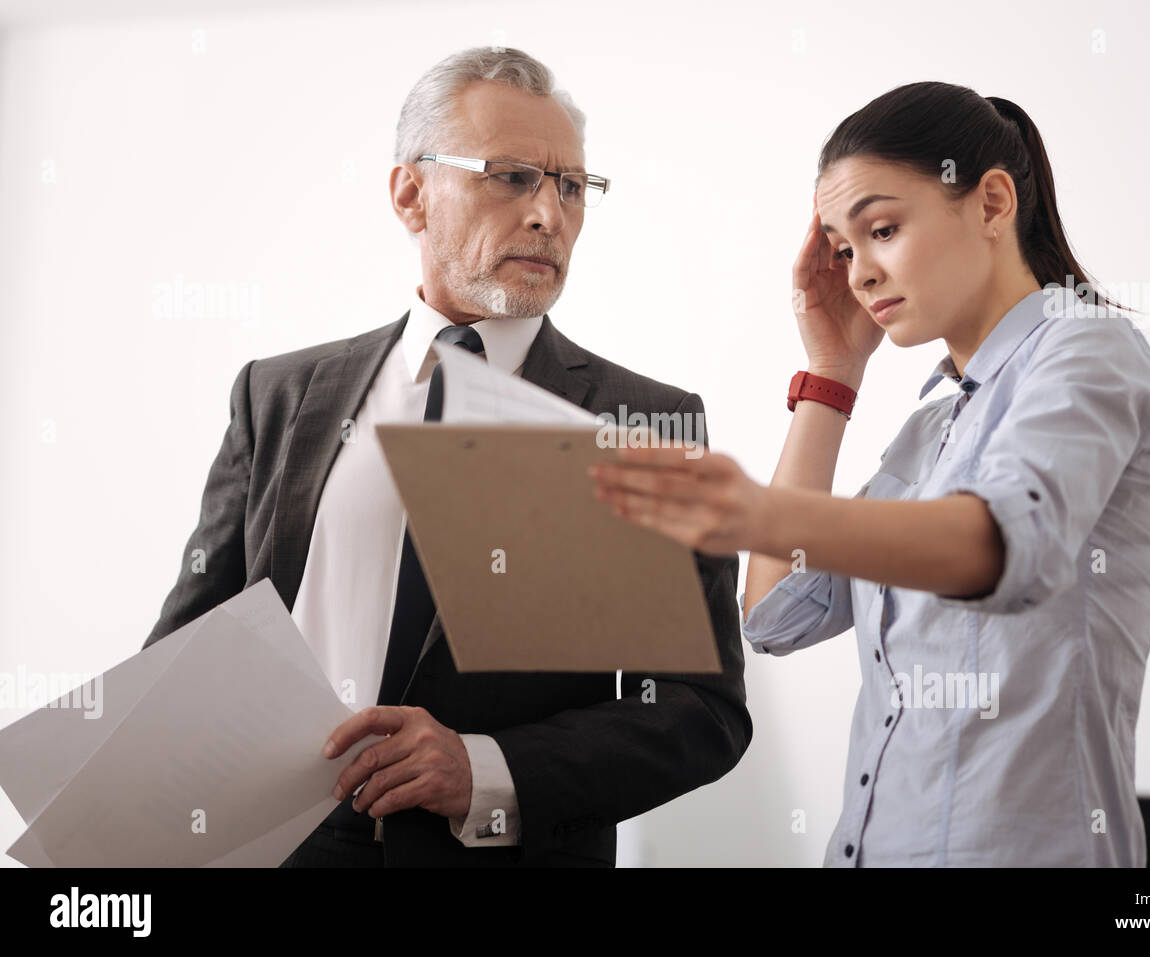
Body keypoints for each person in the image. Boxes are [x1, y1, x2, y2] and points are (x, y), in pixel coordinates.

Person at [143, 46, 751, 867]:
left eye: (572, 186)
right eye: (510, 176)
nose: (549, 214)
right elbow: (187, 652)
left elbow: (698, 711)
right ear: (410, 193)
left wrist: (483, 769)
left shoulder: (643, 420)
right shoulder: (277, 395)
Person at [588, 81, 1150, 867]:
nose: (860, 273)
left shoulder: (1087, 352)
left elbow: (1007, 546)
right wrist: (830, 374)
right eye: (842, 249)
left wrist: (760, 513)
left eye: (882, 229)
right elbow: (779, 615)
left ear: (994, 203)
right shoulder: (934, 424)